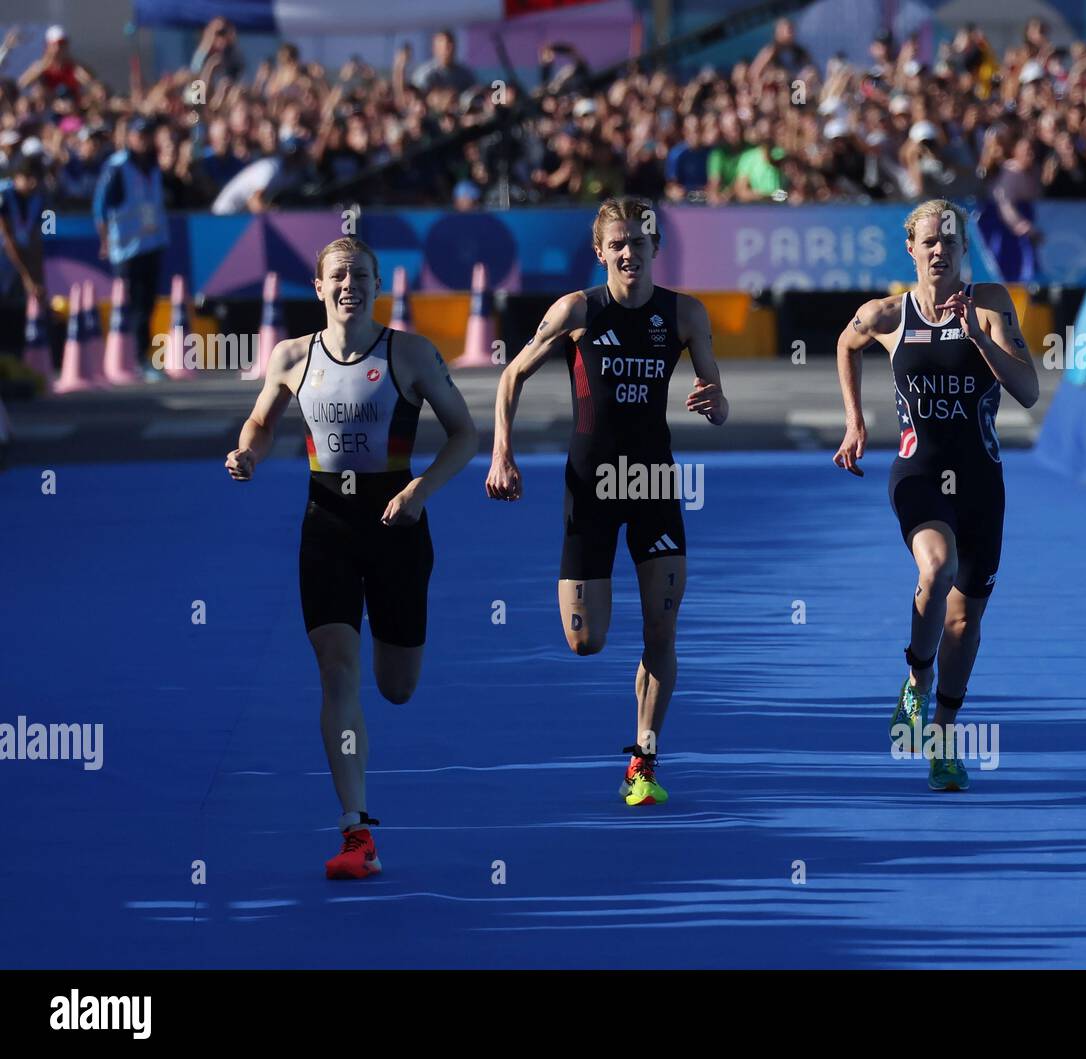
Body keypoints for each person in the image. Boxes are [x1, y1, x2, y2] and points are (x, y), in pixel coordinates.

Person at [225, 237, 477, 878]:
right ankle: (355, 829)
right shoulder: (290, 356)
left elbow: (465, 432)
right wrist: (249, 453)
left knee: (396, 687)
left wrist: (420, 489)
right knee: (338, 671)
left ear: (375, 286)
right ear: (317, 287)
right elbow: (261, 421)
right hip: (326, 525)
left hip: (397, 525)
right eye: (337, 276)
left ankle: (360, 814)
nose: (348, 286)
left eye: (360, 276)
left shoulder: (410, 353)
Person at [485, 196, 728, 806]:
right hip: (589, 488)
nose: (628, 252)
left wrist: (713, 403)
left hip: (652, 486)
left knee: (661, 630)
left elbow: (718, 400)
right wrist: (501, 454)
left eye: (638, 243)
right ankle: (616, 669)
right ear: (600, 252)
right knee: (585, 641)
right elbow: (511, 375)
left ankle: (643, 758)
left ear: (654, 249)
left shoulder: (685, 314)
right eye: (616, 244)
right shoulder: (576, 310)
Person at [833, 199, 1038, 791]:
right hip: (918, 472)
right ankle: (916, 679)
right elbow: (848, 345)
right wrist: (856, 422)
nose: (939, 251)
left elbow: (1026, 390)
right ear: (912, 249)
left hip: (981, 482)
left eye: (950, 241)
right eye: (929, 241)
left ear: (962, 248)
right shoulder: (889, 314)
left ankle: (944, 740)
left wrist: (979, 338)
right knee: (937, 567)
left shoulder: (992, 304)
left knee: (964, 622)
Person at [92, 116, 168, 380]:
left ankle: (141, 357)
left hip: (152, 243)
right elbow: (100, 207)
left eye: (147, 135)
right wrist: (104, 239)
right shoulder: (118, 167)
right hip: (127, 247)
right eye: (139, 135)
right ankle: (131, 359)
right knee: (131, 304)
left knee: (146, 303)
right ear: (130, 137)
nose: (144, 140)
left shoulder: (153, 164)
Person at [0, 156, 45, 357]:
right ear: (16, 177)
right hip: (6, 262)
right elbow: (8, 240)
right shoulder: (4, 196)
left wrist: (37, 277)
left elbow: (39, 238)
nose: (32, 182)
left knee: (18, 312)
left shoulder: (40, 198)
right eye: (27, 177)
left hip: (20, 263)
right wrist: (27, 276)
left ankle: (15, 359)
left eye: (34, 177)